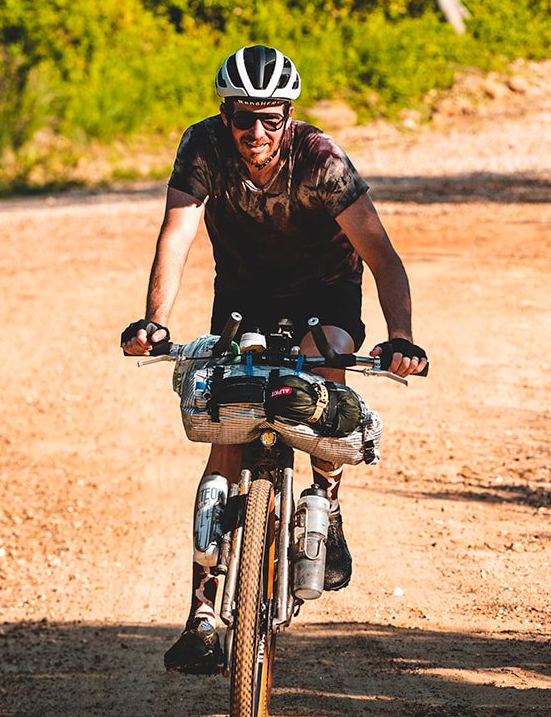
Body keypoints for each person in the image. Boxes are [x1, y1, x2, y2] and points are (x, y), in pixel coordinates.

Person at [120, 44, 429, 674]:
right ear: (225, 112)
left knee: (319, 383)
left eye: (271, 116)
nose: (255, 132)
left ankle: (326, 496)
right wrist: (155, 322)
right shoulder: (202, 147)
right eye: (243, 116)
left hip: (325, 295)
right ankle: (203, 610)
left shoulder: (321, 159)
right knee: (225, 431)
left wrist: (399, 337)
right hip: (243, 298)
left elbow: (382, 256)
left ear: (289, 114)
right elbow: (176, 234)